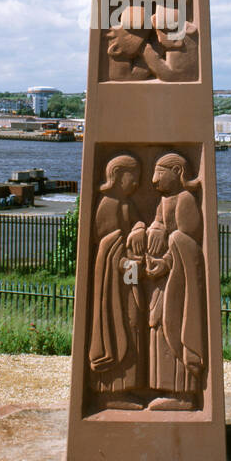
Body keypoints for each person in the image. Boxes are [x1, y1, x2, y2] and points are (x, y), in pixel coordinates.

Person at [143, 153, 206, 409]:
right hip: (161, 279)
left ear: (177, 171)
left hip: (176, 280)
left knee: (174, 327)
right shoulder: (164, 200)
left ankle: (182, 394)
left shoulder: (185, 199)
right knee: (158, 328)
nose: (154, 179)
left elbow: (185, 239)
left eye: (160, 172)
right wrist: (148, 229)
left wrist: (166, 262)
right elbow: (157, 224)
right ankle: (166, 389)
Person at [87, 154, 147, 409]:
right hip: (114, 278)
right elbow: (106, 245)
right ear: (118, 175)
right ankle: (111, 392)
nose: (136, 183)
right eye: (133, 178)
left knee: (134, 323)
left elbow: (135, 225)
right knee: (119, 325)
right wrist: (126, 260)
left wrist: (139, 228)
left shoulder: (127, 203)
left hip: (128, 274)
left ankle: (128, 388)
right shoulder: (107, 203)